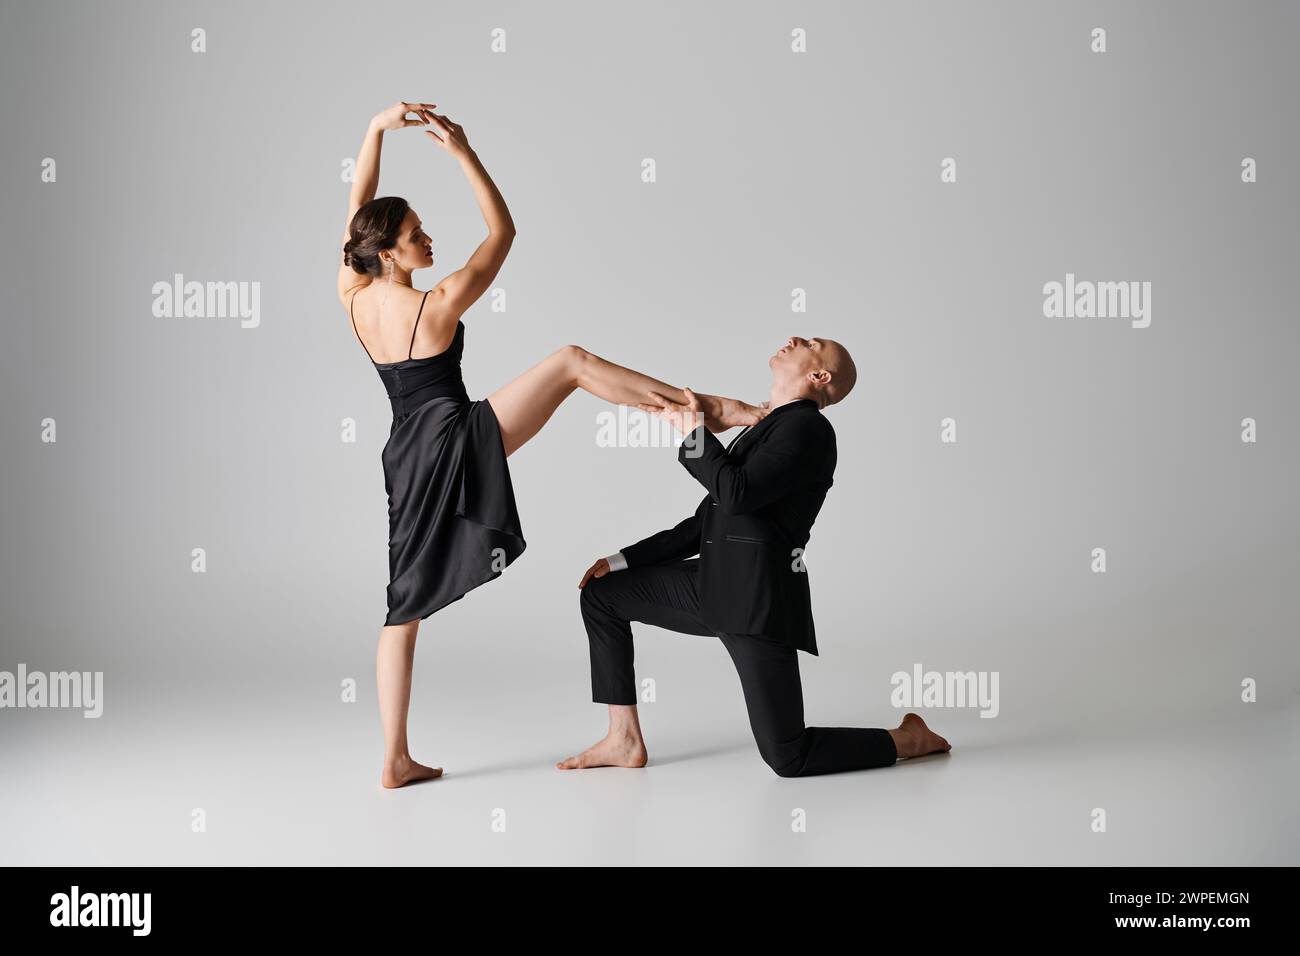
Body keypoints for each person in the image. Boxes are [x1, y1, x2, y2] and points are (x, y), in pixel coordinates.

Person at [339, 102, 762, 788]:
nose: (428, 239)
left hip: (405, 457)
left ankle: (393, 757)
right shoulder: (437, 303)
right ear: (388, 252)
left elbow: (357, 208)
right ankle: (707, 407)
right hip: (456, 439)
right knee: (569, 361)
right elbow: (503, 230)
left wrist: (372, 131)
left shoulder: (353, 291)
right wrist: (464, 151)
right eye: (416, 234)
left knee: (402, 607)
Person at [558, 335, 952, 775]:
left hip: (755, 602)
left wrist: (695, 436)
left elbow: (736, 493)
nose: (796, 339)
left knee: (789, 756)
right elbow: (702, 524)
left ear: (818, 375)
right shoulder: (765, 429)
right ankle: (624, 739)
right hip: (708, 588)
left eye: (811, 343)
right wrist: (620, 560)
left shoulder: (809, 430)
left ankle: (908, 739)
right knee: (601, 595)